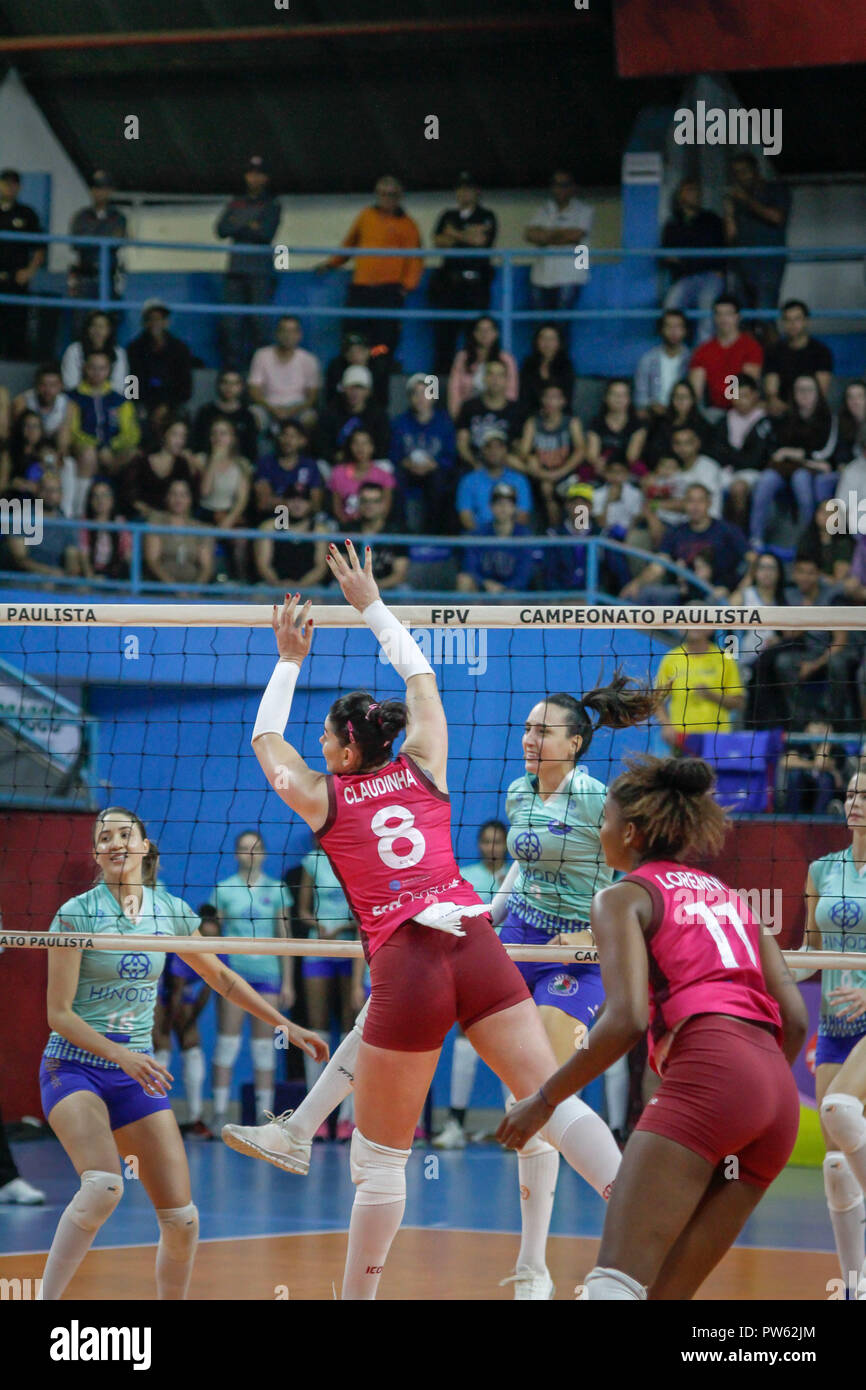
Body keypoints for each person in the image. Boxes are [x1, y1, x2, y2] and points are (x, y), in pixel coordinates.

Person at [227, 559, 627, 1301]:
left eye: (324, 737)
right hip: (476, 944)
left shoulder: (324, 798)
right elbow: (422, 683)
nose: (316, 744)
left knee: (380, 1163)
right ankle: (639, 1242)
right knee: (553, 1100)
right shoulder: (426, 762)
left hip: (408, 963)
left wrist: (288, 661)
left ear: (346, 752)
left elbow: (264, 740)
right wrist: (374, 605)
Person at [498, 755, 808, 1301]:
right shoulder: (732, 898)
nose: (600, 831)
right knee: (664, 1294)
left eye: (606, 821)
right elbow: (796, 1018)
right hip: (777, 1099)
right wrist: (750, 1092)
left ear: (632, 832)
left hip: (712, 1073)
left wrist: (544, 1100)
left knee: (613, 1285)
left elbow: (626, 1020)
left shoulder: (621, 897)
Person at [37, 806, 325, 1301]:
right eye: (103, 837)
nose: (113, 843)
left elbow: (222, 977)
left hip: (136, 1076)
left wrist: (285, 1024)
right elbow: (59, 1015)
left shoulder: (168, 909)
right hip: (74, 1067)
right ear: (95, 853)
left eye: (124, 834)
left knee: (182, 1219)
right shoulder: (75, 914)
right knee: (104, 1185)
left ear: (144, 847)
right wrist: (121, 1055)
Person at [488, 672, 664, 1297]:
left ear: (577, 744)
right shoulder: (517, 792)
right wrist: (491, 916)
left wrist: (591, 939)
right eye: (528, 728)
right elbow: (519, 867)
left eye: (544, 731)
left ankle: (635, 1213)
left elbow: (637, 889)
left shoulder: (599, 802)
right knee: (523, 1098)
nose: (530, 738)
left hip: (581, 956)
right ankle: (533, 1266)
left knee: (542, 1088)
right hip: (523, 942)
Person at [800, 767, 866, 1299]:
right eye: (851, 793)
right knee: (837, 1161)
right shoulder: (821, 870)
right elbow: (809, 954)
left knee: (841, 1110)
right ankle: (854, 1285)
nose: (856, 803)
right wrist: (763, 963)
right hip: (835, 1025)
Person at [434, 820, 510, 1152]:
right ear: (479, 844)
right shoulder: (463, 876)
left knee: (514, 1041)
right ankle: (455, 1123)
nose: (492, 846)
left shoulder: (518, 877)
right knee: (466, 1039)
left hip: (515, 966)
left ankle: (517, 1123)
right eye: (486, 841)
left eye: (498, 841)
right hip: (473, 964)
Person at [211, 830, 294, 1130]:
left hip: (268, 977)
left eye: (256, 848)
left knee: (264, 1047)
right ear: (235, 854)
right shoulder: (224, 889)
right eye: (244, 849)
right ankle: (219, 1113)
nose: (250, 853)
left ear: (264, 854)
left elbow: (285, 937)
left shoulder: (278, 888)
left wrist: (288, 983)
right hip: (234, 977)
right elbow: (214, 939)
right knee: (227, 1044)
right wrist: (216, 977)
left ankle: (265, 1116)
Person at [317, 175, 423, 362]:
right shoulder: (365, 216)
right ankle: (355, 372)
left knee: (384, 340)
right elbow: (349, 243)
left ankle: (377, 367)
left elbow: (414, 259)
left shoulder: (408, 225)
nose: (386, 198)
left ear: (399, 197)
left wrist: (406, 287)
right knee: (353, 333)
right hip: (361, 288)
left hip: (389, 291)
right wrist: (331, 263)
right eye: (382, 194)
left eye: (391, 195)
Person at [296, 847, 360, 1141]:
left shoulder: (354, 856)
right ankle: (315, 1117)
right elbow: (302, 911)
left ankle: (348, 1115)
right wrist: (318, 926)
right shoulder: (312, 861)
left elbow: (363, 909)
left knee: (351, 1029)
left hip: (350, 946)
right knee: (317, 1028)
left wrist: (346, 927)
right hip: (319, 947)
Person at [153, 904, 220, 1140]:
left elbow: (207, 991)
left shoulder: (220, 950)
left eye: (213, 937)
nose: (209, 941)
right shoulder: (186, 949)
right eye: (206, 936)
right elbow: (175, 995)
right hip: (161, 988)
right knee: (162, 1045)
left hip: (186, 993)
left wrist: (189, 1023)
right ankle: (154, 1118)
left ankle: (195, 1118)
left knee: (192, 1045)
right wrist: (167, 1026)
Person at [749, 374, 838, 548]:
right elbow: (776, 452)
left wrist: (795, 453)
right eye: (799, 390)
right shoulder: (785, 417)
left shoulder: (827, 418)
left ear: (818, 393)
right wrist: (796, 456)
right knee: (766, 480)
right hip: (787, 468)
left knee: (800, 479)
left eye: (809, 390)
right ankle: (755, 539)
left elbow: (825, 453)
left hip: (810, 471)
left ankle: (808, 539)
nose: (804, 394)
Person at [621, 483, 747, 603]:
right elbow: (658, 566)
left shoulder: (728, 531)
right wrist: (636, 584)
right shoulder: (676, 532)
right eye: (690, 501)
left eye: (700, 501)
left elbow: (751, 560)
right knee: (640, 596)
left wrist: (739, 591)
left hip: (716, 593)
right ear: (685, 504)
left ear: (709, 503)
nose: (695, 506)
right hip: (682, 593)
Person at [215, 155, 281, 370]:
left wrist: (238, 222)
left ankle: (262, 376)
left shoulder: (273, 203)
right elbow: (221, 229)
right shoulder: (235, 201)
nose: (255, 178)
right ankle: (232, 377)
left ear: (266, 178)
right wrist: (249, 224)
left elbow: (265, 233)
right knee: (230, 327)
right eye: (252, 173)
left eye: (259, 174)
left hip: (260, 272)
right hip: (235, 271)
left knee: (261, 328)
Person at [430, 173, 498, 376]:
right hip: (449, 285)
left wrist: (454, 234)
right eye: (460, 188)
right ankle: (440, 389)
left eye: (468, 188)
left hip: (476, 286)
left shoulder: (487, 215)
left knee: (476, 340)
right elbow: (438, 241)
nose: (464, 193)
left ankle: (473, 383)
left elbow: (481, 241)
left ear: (477, 192)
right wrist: (466, 235)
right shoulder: (447, 215)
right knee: (444, 339)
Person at [707, 374, 777, 532]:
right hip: (726, 470)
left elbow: (755, 458)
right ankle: (712, 530)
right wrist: (734, 457)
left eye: (745, 396)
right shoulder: (725, 420)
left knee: (738, 488)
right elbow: (715, 451)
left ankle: (738, 533)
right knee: (706, 484)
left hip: (753, 473)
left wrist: (731, 456)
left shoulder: (764, 422)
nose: (740, 400)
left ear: (755, 396)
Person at [389, 372, 457, 534]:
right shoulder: (399, 423)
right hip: (407, 471)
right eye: (415, 393)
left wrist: (435, 465)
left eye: (425, 393)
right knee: (395, 479)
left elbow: (451, 455)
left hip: (434, 472)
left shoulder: (445, 424)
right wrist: (405, 462)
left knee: (440, 481)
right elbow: (392, 453)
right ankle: (401, 532)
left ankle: (432, 534)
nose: (420, 398)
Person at [724, 154, 791, 313]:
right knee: (742, 319)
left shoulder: (775, 189)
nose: (741, 177)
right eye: (737, 173)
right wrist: (729, 212)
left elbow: (777, 217)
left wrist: (746, 200)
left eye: (745, 171)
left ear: (756, 171)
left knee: (765, 315)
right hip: (741, 264)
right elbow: (730, 237)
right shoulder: (737, 199)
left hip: (768, 263)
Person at [653, 631, 745, 746]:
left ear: (710, 628)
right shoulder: (671, 658)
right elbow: (656, 700)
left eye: (698, 621)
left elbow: (738, 702)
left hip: (717, 738)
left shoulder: (724, 658)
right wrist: (666, 726)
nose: (694, 627)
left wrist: (710, 695)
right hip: (682, 738)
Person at [660, 180, 726, 336]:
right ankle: (677, 354)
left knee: (707, 314)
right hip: (684, 277)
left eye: (697, 191)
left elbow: (718, 246)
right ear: (680, 196)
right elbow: (667, 255)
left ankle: (702, 358)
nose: (696, 194)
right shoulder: (673, 223)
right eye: (690, 190)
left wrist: (685, 259)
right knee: (671, 309)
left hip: (710, 275)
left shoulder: (711, 219)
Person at [525, 171, 593, 312]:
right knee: (541, 325)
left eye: (564, 185)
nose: (559, 189)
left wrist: (546, 235)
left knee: (562, 324)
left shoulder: (584, 210)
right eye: (556, 185)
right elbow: (529, 234)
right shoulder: (544, 209)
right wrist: (561, 234)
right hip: (541, 276)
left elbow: (575, 236)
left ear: (573, 187)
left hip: (572, 274)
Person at [68, 349, 141, 480]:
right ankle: (81, 497)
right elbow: (72, 431)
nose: (97, 373)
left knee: (134, 454)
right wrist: (98, 447)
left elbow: (131, 433)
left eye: (102, 368)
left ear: (109, 370)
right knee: (89, 454)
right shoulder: (74, 397)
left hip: (113, 449)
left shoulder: (120, 400)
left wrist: (110, 446)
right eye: (92, 368)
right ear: (85, 368)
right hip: (86, 448)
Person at [519, 383, 586, 525]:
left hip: (566, 475)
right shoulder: (533, 422)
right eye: (547, 397)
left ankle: (583, 532)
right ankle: (554, 533)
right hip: (539, 475)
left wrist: (557, 474)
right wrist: (534, 463)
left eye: (555, 398)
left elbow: (581, 451)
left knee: (581, 498)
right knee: (545, 487)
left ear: (563, 401)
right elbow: (523, 453)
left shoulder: (572, 422)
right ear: (542, 400)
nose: (550, 401)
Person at [248, 316, 321, 437]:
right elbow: (254, 390)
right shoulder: (261, 355)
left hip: (297, 408)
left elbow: (312, 397)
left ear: (299, 335)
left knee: (311, 419)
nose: (288, 335)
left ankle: (304, 455)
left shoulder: (309, 360)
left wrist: (291, 410)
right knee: (252, 416)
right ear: (277, 333)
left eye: (293, 331)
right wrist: (272, 409)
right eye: (284, 330)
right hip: (267, 407)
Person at [688, 296, 763, 413]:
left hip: (744, 410)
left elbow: (747, 388)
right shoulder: (702, 351)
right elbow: (695, 392)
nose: (723, 319)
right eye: (719, 314)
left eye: (728, 314)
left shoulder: (751, 347)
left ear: (738, 317)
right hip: (714, 411)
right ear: (714, 318)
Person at [456, 483, 533, 594]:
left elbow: (524, 575)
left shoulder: (524, 535)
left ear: (514, 508)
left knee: (512, 595)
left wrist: (503, 588)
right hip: (484, 588)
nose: (503, 508)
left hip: (511, 591)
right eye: (498, 504)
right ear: (490, 506)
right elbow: (469, 567)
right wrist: (485, 583)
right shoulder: (478, 534)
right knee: (464, 580)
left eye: (508, 504)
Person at [120, 415, 201, 521]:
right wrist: (148, 512)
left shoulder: (183, 464)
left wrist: (193, 467)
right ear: (163, 435)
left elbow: (193, 497)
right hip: (143, 519)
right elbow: (128, 493)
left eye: (183, 436)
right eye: (175, 434)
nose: (179, 441)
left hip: (172, 520)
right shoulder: (142, 461)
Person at [0, 169, 44, 360]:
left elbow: (41, 246)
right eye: (5, 183)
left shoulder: (27, 214)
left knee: (16, 326)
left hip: (16, 281)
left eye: (13, 183)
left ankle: (14, 363)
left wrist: (30, 271)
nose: (9, 187)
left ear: (19, 187)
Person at [126, 300, 194, 422]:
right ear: (144, 323)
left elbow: (185, 387)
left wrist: (167, 405)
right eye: (151, 319)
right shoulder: (134, 349)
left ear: (166, 322)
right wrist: (142, 404)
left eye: (159, 319)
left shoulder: (180, 349)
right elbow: (131, 385)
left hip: (173, 405)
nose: (155, 323)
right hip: (143, 405)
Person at [763, 301, 834, 417]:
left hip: (811, 410)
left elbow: (820, 392)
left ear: (806, 321)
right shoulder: (774, 352)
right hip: (781, 412)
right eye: (788, 320)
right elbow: (771, 391)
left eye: (797, 319)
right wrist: (777, 404)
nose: (792, 324)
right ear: (783, 323)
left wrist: (799, 408)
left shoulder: (821, 352)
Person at [253, 482, 330, 589]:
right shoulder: (270, 527)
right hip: (272, 586)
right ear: (284, 502)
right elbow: (263, 564)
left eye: (303, 500)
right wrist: (278, 585)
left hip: (309, 587)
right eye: (292, 499)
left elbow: (320, 567)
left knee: (319, 598)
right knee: (259, 594)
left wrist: (299, 587)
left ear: (310, 504)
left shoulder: (320, 530)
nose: (297, 504)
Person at [6, 470, 80, 579]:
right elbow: (19, 559)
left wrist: (70, 573)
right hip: (25, 579)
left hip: (57, 580)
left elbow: (72, 557)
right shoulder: (20, 516)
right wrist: (48, 573)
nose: (50, 494)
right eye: (46, 489)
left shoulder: (67, 523)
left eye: (55, 490)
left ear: (61, 495)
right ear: (37, 491)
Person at [142, 478, 214, 588]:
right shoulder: (156, 522)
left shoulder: (200, 528)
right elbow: (153, 561)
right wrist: (175, 588)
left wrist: (195, 590)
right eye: (174, 494)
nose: (178, 499)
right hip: (161, 590)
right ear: (167, 497)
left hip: (192, 591)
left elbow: (206, 567)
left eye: (183, 495)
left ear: (190, 499)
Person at [454, 359, 525, 471]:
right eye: (491, 374)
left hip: (505, 467)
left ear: (507, 380)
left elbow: (519, 447)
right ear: (484, 379)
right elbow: (462, 444)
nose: (495, 380)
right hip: (474, 465)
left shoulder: (517, 410)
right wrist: (475, 465)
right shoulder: (469, 406)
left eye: (500, 375)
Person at [68, 170, 127, 304]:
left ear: (110, 191)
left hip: (109, 276)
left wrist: (90, 237)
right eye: (96, 188)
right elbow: (75, 243)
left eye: (104, 188)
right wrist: (103, 236)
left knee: (109, 317)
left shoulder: (118, 217)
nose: (100, 192)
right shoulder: (81, 216)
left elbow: (116, 242)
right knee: (82, 318)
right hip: (85, 274)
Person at [456, 429, 533, 531]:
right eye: (489, 447)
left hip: (512, 539)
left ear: (505, 450)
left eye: (499, 447)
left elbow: (523, 516)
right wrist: (484, 539)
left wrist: (504, 537)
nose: (494, 451)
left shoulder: (519, 480)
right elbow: (465, 518)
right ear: (482, 450)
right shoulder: (468, 481)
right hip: (478, 539)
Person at [252, 418, 325, 524]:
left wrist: (302, 507)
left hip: (304, 520)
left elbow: (316, 504)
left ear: (303, 441)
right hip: (274, 519)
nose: (288, 440)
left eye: (293, 436)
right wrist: (289, 504)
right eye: (284, 435)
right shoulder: (266, 463)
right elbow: (263, 502)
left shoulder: (310, 466)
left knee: (321, 530)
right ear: (278, 438)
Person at [447, 315, 519, 418]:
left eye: (488, 330)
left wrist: (506, 415)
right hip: (468, 414)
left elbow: (511, 391)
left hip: (499, 415)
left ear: (496, 333)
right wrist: (457, 416)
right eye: (480, 330)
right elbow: (454, 390)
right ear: (474, 334)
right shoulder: (462, 358)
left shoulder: (506, 360)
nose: (484, 334)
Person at [315, 364, 390, 461]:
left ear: (368, 391)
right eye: (350, 387)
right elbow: (321, 444)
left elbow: (383, 446)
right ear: (343, 390)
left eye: (360, 387)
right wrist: (336, 456)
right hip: (337, 464)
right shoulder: (330, 413)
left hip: (369, 464)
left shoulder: (379, 415)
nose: (355, 392)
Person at [191, 369, 259, 465]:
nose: (229, 387)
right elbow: (196, 444)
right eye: (225, 382)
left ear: (241, 387)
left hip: (237, 465)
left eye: (234, 383)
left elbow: (251, 452)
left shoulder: (247, 416)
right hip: (207, 462)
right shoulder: (205, 412)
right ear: (218, 385)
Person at [328, 428, 396, 526]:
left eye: (365, 443)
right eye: (356, 443)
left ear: (372, 447)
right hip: (346, 528)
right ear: (350, 447)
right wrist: (350, 529)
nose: (360, 448)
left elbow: (385, 509)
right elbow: (337, 508)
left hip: (374, 529)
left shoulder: (384, 476)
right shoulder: (338, 473)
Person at [634, 310, 691, 420]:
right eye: (669, 326)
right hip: (654, 415)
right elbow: (640, 398)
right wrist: (651, 405)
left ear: (685, 330)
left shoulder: (691, 358)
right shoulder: (648, 359)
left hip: (684, 414)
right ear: (661, 330)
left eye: (678, 326)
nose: (673, 331)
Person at [643, 378, 711, 467]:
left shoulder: (702, 425)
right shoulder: (661, 422)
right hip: (664, 469)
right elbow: (651, 451)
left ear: (693, 399)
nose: (681, 401)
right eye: (677, 397)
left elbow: (706, 454)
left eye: (685, 397)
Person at [585, 379, 647, 477]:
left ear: (629, 399)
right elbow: (592, 455)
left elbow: (632, 457)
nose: (618, 399)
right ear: (605, 397)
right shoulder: (596, 422)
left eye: (623, 395)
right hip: (600, 469)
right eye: (614, 394)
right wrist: (601, 465)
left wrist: (616, 470)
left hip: (626, 471)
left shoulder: (637, 425)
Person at [780, 720, 843, 816]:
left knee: (826, 779)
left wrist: (827, 741)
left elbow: (820, 762)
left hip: (826, 791)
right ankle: (791, 818)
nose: (820, 729)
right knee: (794, 775)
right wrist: (812, 764)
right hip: (804, 788)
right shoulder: (802, 745)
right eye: (816, 724)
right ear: (807, 729)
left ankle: (819, 821)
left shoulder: (836, 748)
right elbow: (785, 762)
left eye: (824, 725)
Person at [61, 311, 129, 396]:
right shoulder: (74, 350)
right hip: (79, 399)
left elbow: (119, 386)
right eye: (94, 325)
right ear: (87, 328)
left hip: (109, 401)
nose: (98, 330)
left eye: (102, 326)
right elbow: (70, 384)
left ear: (109, 330)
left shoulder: (118, 352)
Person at [12, 362, 73, 456]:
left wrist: (58, 454)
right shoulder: (22, 402)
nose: (47, 390)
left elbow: (64, 440)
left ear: (60, 386)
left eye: (53, 385)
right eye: (43, 385)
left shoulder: (67, 405)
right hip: (27, 449)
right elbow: (20, 436)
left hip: (53, 448)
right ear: (36, 385)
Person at [77, 478, 132, 581]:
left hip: (114, 573)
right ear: (90, 501)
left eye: (104, 495)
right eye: (96, 496)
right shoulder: (84, 522)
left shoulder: (120, 522)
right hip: (91, 573)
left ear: (112, 500)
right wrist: (91, 578)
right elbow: (83, 553)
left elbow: (127, 552)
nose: (100, 500)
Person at [519, 323, 576, 416]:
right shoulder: (528, 364)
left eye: (552, 339)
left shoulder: (566, 366)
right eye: (543, 338)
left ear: (559, 342)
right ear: (537, 341)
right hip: (532, 415)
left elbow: (567, 397)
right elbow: (524, 396)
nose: (547, 343)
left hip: (560, 415)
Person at [324, 331, 390, 410]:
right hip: (341, 414)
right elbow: (330, 398)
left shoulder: (378, 369)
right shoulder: (336, 368)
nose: (355, 355)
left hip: (371, 415)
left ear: (368, 351)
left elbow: (382, 400)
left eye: (359, 351)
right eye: (350, 351)